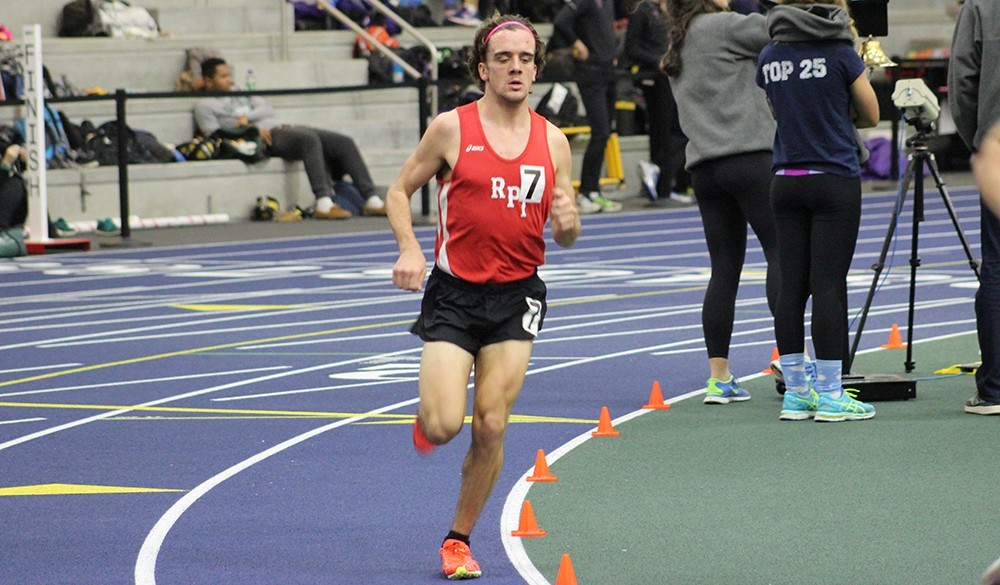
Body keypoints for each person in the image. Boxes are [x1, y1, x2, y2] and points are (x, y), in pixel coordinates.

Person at [385, 14, 580, 580]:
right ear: (482, 69)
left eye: (524, 59)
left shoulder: (554, 141)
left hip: (518, 296)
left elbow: (565, 232)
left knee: (492, 422)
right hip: (454, 295)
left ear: (536, 69)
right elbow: (399, 190)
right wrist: (409, 249)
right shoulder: (451, 128)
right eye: (503, 58)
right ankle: (430, 417)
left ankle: (457, 540)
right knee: (446, 424)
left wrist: (569, 222)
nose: (515, 67)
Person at [755, 0, 880, 421]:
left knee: (792, 286)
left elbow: (780, 110)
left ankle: (796, 393)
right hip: (833, 177)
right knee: (828, 285)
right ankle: (830, 394)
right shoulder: (841, 53)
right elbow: (872, 114)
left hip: (785, 178)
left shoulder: (770, 54)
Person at [660, 0, 780, 404]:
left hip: (705, 169)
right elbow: (781, 27)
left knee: (723, 271)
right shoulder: (727, 25)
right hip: (750, 158)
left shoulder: (678, 39)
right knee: (781, 255)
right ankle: (793, 361)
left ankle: (719, 378)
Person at [194, 58, 387, 220]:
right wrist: (249, 130)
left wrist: (247, 119)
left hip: (283, 127)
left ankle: (371, 199)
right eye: (223, 76)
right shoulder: (205, 105)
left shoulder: (240, 91)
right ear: (208, 81)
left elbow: (267, 108)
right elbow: (214, 134)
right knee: (309, 139)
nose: (229, 80)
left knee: (343, 142)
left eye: (230, 75)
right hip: (267, 140)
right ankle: (324, 202)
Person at [950, 0, 1000, 415]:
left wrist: (979, 144)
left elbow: (962, 83)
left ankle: (996, 389)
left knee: (998, 268)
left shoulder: (981, 8)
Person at [553, 0, 624, 213]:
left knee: (606, 132)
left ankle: (593, 191)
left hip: (607, 70)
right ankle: (587, 192)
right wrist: (576, 43)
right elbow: (561, 21)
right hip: (590, 72)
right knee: (600, 132)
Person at [623, 0, 691, 204]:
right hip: (655, 79)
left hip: (671, 78)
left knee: (677, 131)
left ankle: (675, 183)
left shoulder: (667, 11)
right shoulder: (642, 12)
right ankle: (663, 187)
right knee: (662, 133)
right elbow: (631, 48)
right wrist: (659, 59)